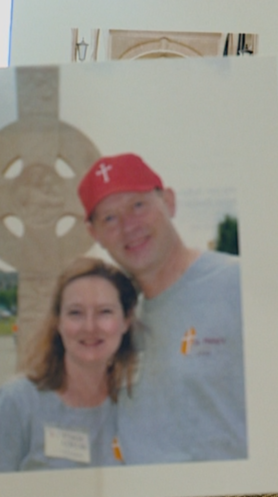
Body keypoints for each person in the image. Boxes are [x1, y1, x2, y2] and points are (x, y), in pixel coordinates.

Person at [78, 152, 246, 464]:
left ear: (169, 201)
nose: (128, 226)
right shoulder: (117, 328)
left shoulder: (239, 284)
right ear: (94, 234)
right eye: (110, 218)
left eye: (138, 205)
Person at [0, 258, 138, 473]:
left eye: (104, 312)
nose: (89, 327)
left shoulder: (135, 407)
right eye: (75, 313)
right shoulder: (16, 402)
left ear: (126, 320)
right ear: (58, 322)